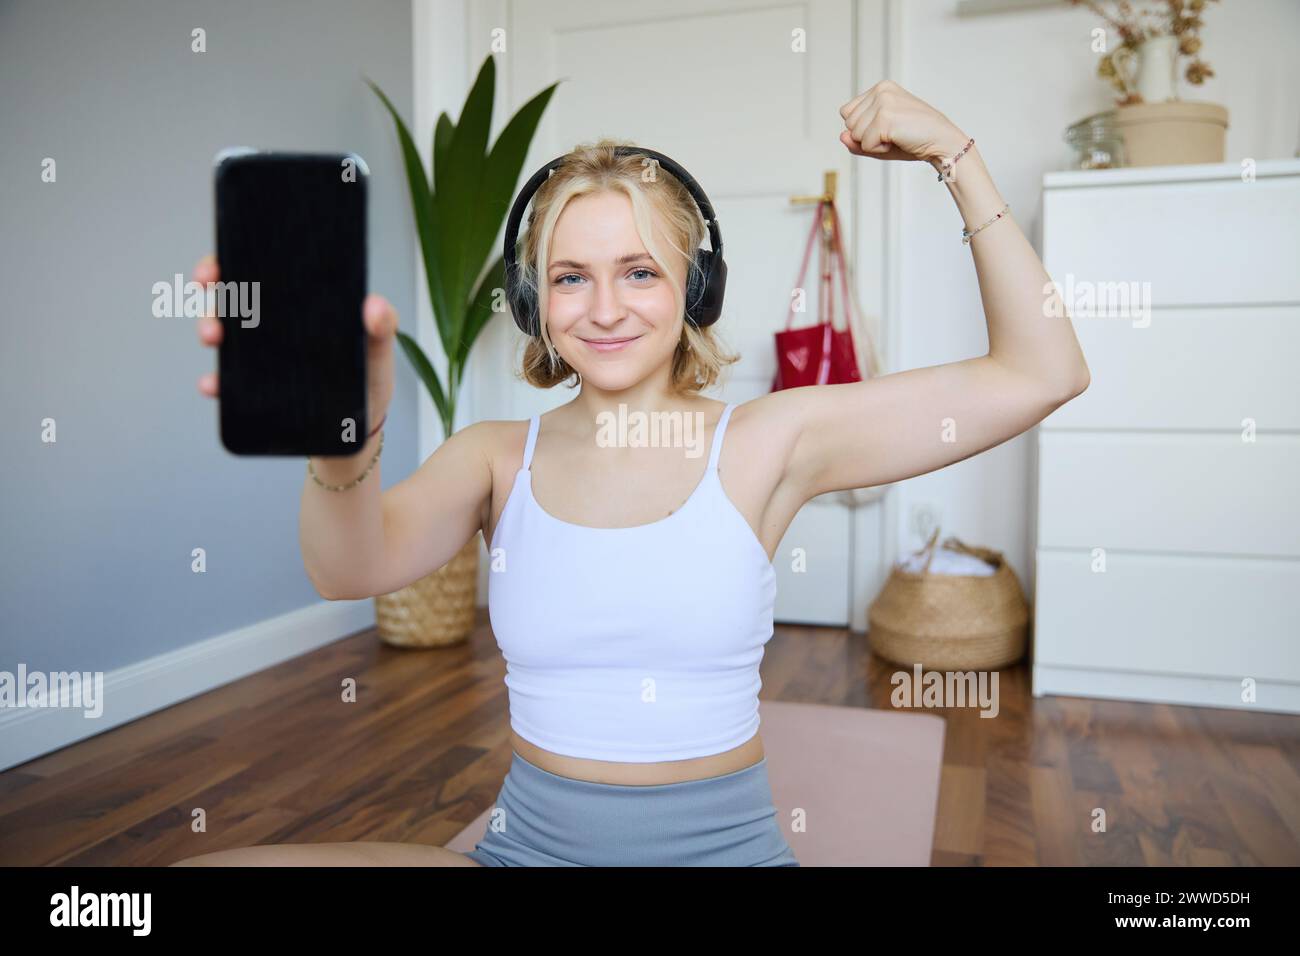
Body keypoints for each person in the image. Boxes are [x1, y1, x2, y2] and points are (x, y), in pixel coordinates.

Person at [171, 80, 1089, 867]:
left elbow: (1041, 371)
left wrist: (954, 156)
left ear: (694, 287)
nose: (603, 308)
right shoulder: (496, 457)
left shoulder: (772, 440)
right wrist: (344, 432)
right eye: (570, 277)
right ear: (534, 301)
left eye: (639, 271)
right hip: (526, 853)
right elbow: (347, 568)